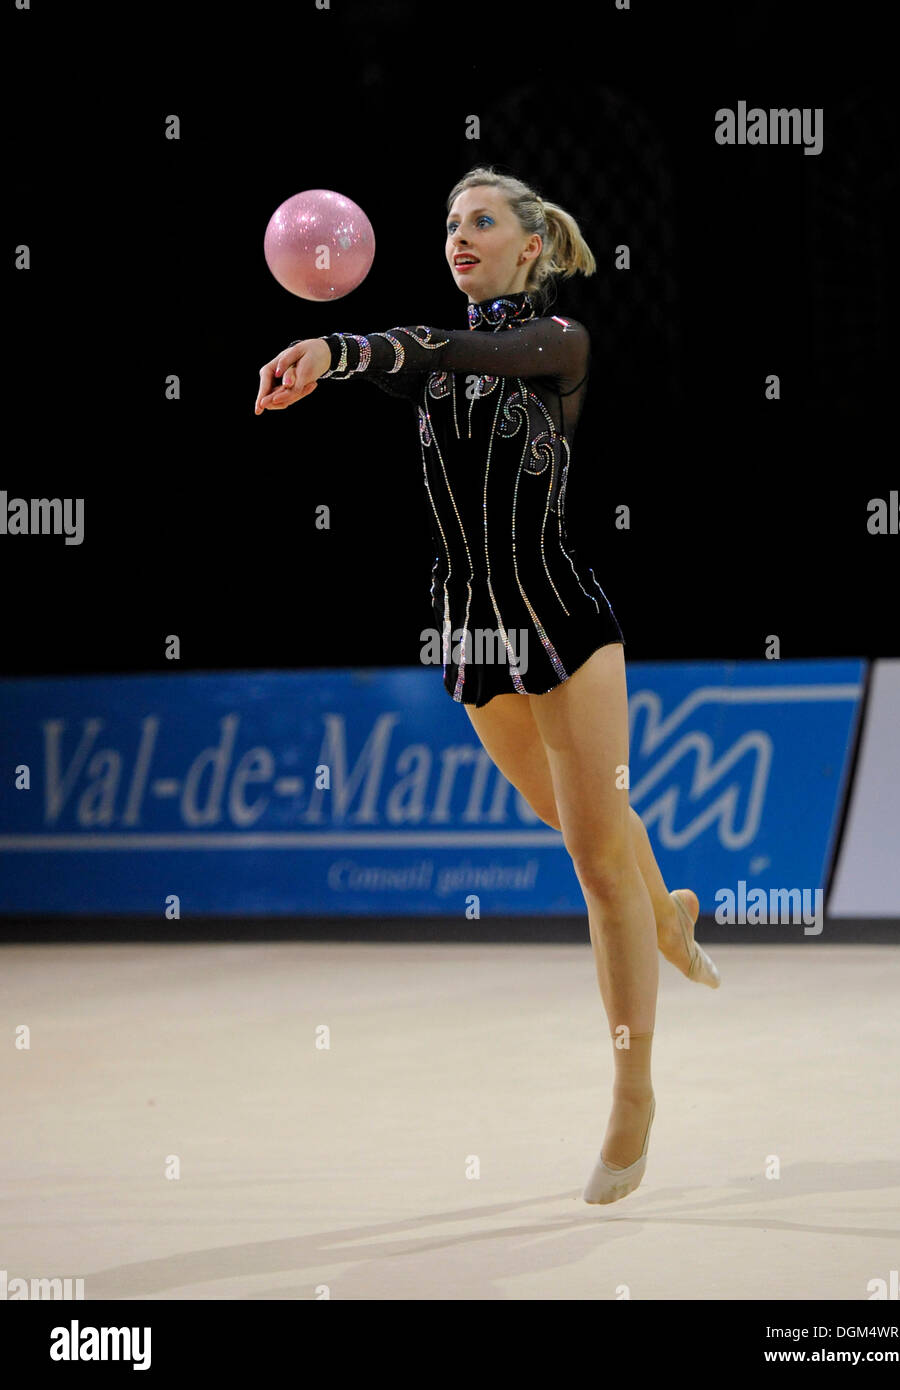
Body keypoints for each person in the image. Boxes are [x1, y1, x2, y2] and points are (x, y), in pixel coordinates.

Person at [255, 165, 719, 1203]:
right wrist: (330, 358)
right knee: (576, 821)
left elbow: (443, 349)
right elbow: (410, 356)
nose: (459, 237)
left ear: (530, 249)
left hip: (564, 620)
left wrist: (335, 347)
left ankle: (633, 1092)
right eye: (449, 225)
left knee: (597, 865)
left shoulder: (556, 346)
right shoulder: (433, 354)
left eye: (481, 223)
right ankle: (670, 907)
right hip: (471, 632)